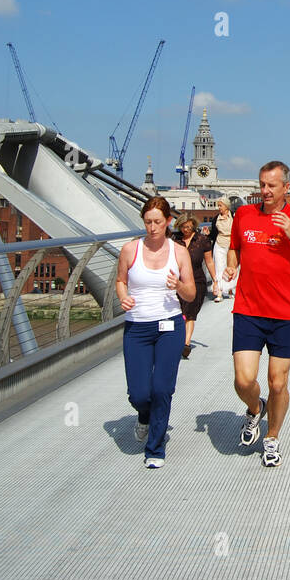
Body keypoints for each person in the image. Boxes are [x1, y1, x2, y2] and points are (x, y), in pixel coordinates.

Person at [222, 161, 290, 467]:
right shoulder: (244, 214)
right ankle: (255, 409)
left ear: (286, 188)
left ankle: (272, 437)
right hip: (248, 309)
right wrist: (232, 264)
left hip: (285, 313)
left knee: (278, 382)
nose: (264, 191)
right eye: (262, 185)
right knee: (243, 380)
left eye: (271, 186)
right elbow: (235, 247)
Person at [116, 195, 196, 468]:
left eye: (157, 222)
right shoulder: (130, 250)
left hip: (169, 326)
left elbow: (192, 292)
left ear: (168, 222)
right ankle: (144, 416)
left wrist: (177, 287)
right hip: (137, 327)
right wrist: (123, 297)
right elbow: (120, 281)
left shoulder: (179, 252)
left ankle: (155, 449)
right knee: (138, 393)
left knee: (162, 389)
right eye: (148, 222)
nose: (152, 228)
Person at [174, 215, 216, 358]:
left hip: (197, 281)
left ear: (193, 226)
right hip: (177, 282)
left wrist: (215, 280)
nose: (186, 230)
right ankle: (178, 339)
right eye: (183, 227)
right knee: (180, 312)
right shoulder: (174, 240)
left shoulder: (202, 240)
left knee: (190, 313)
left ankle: (186, 344)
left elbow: (209, 261)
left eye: (189, 227)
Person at [209, 197, 236, 302]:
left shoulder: (234, 216)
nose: (219, 208)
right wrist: (208, 234)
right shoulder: (216, 218)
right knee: (219, 268)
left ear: (226, 206)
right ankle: (219, 293)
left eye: (220, 205)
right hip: (219, 244)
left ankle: (229, 290)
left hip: (231, 245)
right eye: (218, 205)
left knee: (229, 267)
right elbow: (213, 234)